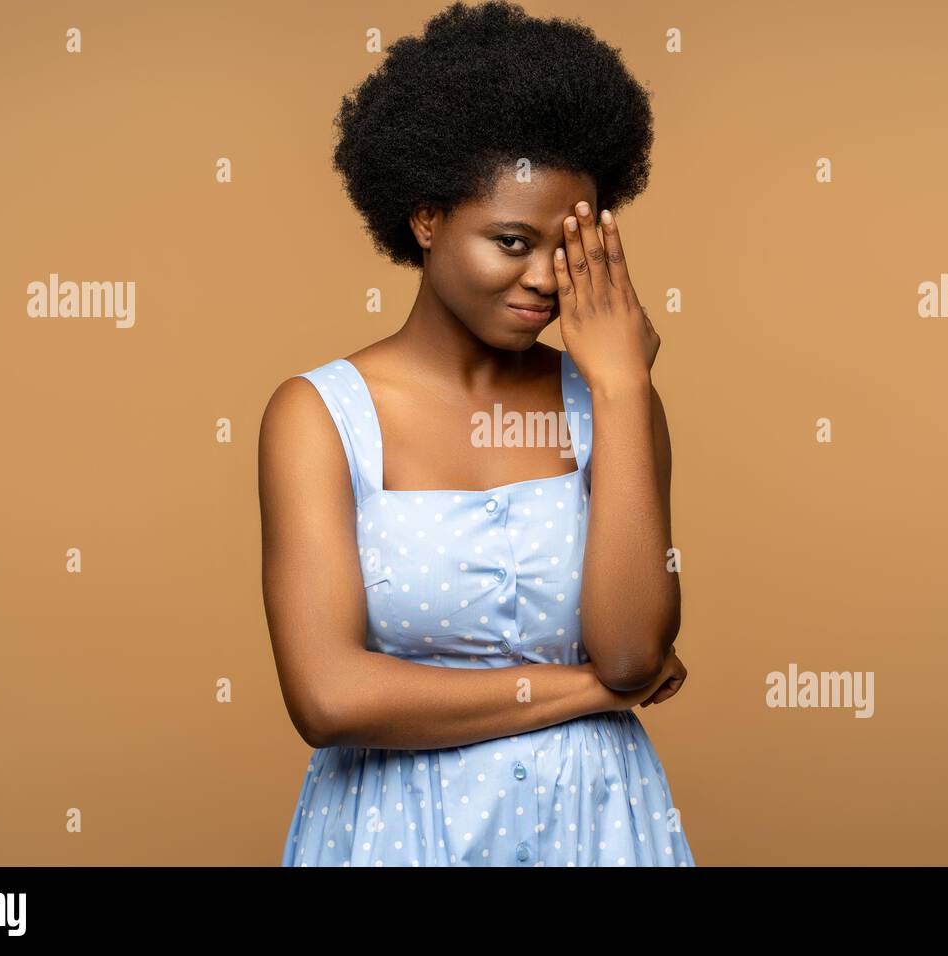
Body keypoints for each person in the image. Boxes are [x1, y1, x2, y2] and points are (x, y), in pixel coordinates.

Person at [260, 0, 694, 866]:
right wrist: (589, 692)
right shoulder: (318, 418)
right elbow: (330, 698)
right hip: (396, 833)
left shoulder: (613, 400)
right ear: (427, 220)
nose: (542, 281)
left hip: (599, 826)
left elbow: (632, 646)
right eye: (510, 241)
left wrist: (618, 385)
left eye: (565, 253)